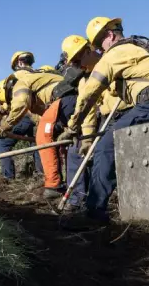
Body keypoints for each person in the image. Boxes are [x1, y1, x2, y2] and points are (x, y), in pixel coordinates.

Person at [65, 16, 149, 222]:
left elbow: (89, 94)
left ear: (109, 35)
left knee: (106, 147)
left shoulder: (115, 53)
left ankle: (94, 213)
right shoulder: (140, 46)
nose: (100, 50)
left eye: (100, 45)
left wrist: (73, 126)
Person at [35, 35, 103, 209]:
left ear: (87, 51)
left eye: (78, 58)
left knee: (76, 152)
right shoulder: (84, 74)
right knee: (76, 151)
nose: (77, 64)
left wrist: (85, 135)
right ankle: (80, 199)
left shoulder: (101, 65)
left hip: (106, 112)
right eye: (74, 61)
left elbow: (89, 103)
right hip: (90, 113)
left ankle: (76, 200)